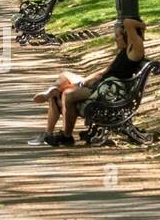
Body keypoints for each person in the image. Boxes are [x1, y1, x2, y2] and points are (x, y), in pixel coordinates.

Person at [28, 17, 146, 147]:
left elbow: (128, 22)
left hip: (109, 91)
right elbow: (106, 71)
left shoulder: (135, 50)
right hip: (101, 85)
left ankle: (65, 135)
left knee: (67, 94)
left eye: (118, 36)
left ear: (128, 36)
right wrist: (87, 80)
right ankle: (50, 93)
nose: (115, 39)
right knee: (64, 75)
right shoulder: (124, 52)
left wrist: (141, 25)